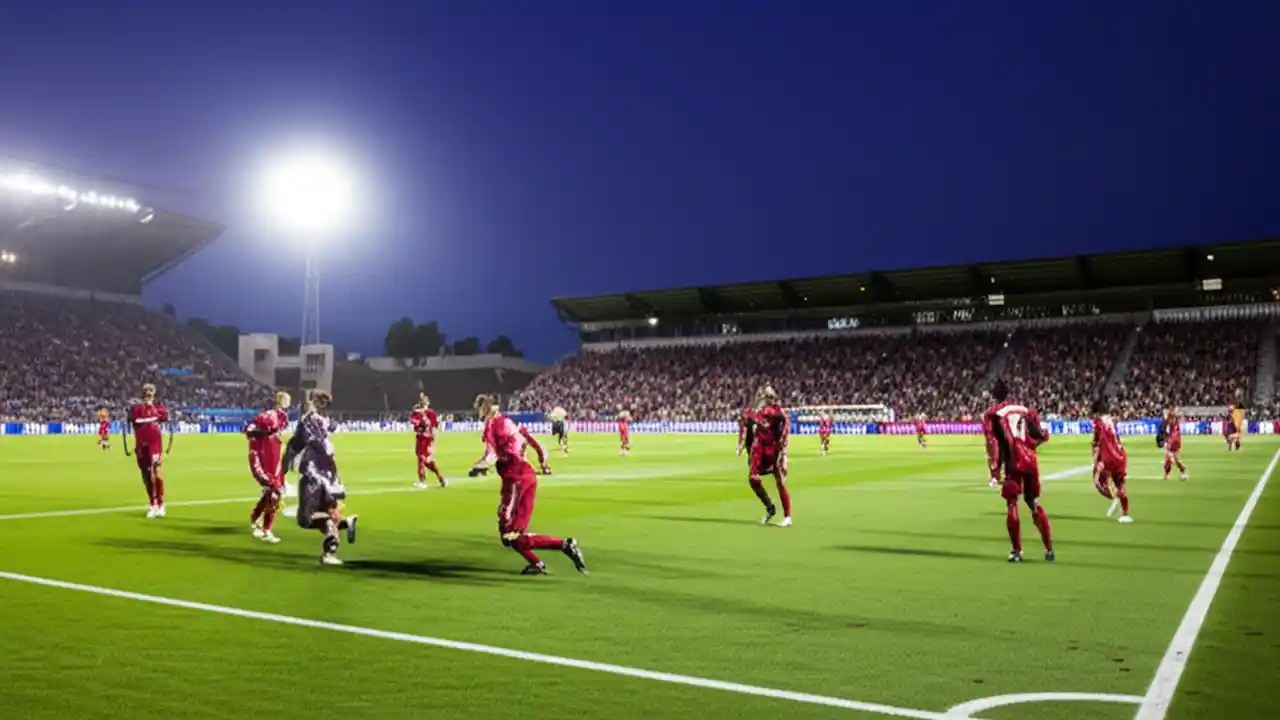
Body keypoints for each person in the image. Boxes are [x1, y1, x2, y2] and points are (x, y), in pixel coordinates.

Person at [470, 393, 587, 575]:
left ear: (485, 408)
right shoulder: (510, 423)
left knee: (508, 534)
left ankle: (561, 547)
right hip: (528, 477)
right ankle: (544, 559)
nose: (477, 412)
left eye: (479, 407)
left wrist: (479, 467)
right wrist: (543, 464)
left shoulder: (492, 425)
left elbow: (490, 455)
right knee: (515, 535)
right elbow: (537, 445)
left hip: (514, 480)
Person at [982, 380, 1053, 563]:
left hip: (1013, 462)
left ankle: (1017, 551)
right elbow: (1040, 435)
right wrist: (1032, 446)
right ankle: (1049, 549)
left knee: (1012, 503)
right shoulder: (1025, 410)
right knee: (1033, 502)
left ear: (994, 395)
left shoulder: (993, 413)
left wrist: (995, 469)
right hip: (1030, 461)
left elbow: (992, 442)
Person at [293, 391, 358, 565]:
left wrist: (286, 465)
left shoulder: (308, 422)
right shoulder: (326, 420)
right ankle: (330, 551)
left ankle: (343, 526)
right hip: (330, 475)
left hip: (313, 475)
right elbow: (332, 429)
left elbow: (297, 444)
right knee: (327, 514)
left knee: (306, 519)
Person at [246, 391, 292, 543]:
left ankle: (255, 519)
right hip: (260, 461)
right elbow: (249, 431)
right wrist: (267, 432)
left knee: (271, 493)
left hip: (272, 463)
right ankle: (266, 530)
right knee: (274, 493)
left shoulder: (282, 418)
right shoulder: (266, 417)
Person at [747, 386, 792, 527]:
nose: (767, 399)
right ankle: (769, 507)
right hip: (759, 451)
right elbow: (749, 429)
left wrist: (784, 454)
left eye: (769, 396)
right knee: (753, 479)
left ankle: (787, 516)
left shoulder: (777, 413)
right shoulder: (757, 412)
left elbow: (785, 428)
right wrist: (748, 451)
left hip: (773, 451)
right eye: (765, 396)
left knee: (780, 482)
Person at [128, 383, 169, 519]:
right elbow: (130, 419)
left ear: (154, 394)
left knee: (156, 472)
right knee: (146, 475)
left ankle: (161, 503)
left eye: (150, 392)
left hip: (154, 445)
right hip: (141, 446)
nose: (148, 394)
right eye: (146, 392)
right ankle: (153, 504)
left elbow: (165, 417)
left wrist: (152, 407)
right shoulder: (136, 409)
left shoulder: (158, 408)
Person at [1091, 398, 1132, 523]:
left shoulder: (1098, 422)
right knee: (1120, 484)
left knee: (1097, 480)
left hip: (1109, 458)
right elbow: (1117, 439)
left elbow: (1096, 442)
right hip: (1121, 456)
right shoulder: (1112, 420)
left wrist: (1095, 460)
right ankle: (1125, 514)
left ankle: (1115, 496)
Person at [411, 394, 446, 488]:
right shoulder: (430, 413)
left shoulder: (419, 413)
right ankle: (440, 476)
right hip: (427, 439)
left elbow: (415, 423)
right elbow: (435, 426)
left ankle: (422, 481)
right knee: (426, 461)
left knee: (421, 458)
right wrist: (433, 440)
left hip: (423, 439)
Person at [1162, 407, 1188, 481]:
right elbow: (1166, 433)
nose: (1164, 415)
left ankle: (1181, 471)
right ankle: (1181, 471)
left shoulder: (1173, 419)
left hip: (1174, 440)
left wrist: (1168, 442)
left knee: (1171, 457)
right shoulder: (1168, 421)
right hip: (1172, 439)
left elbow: (1179, 414)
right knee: (1172, 458)